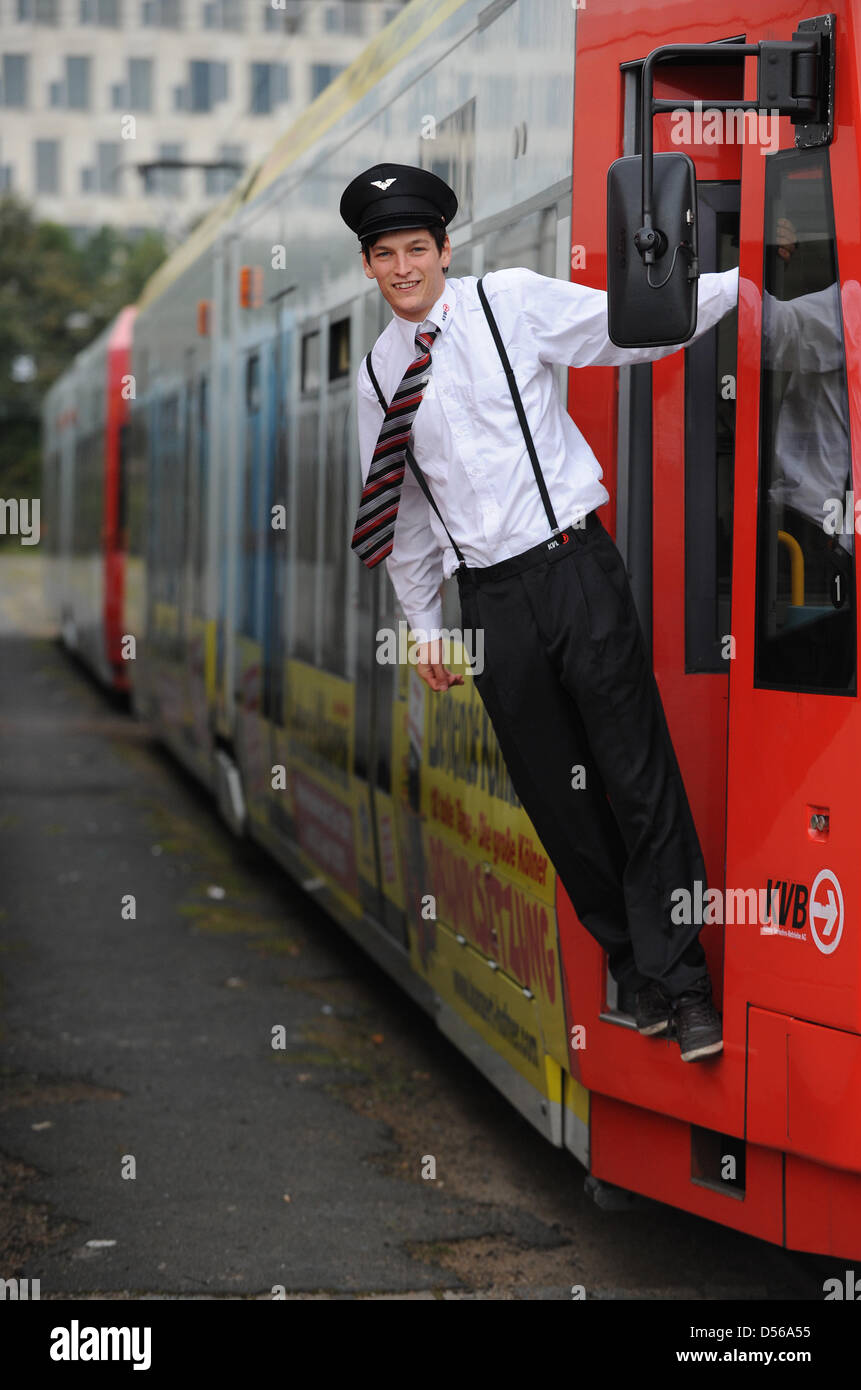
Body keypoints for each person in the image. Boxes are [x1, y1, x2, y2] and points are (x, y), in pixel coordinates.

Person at [340, 162, 740, 1062]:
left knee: (636, 777)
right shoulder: (376, 374)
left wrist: (736, 286)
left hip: (572, 568)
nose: (403, 267)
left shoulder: (506, 301)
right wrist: (425, 625)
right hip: (486, 602)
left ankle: (684, 987)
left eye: (415, 249)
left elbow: (621, 330)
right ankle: (634, 967)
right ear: (367, 268)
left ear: (445, 250)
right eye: (383, 255)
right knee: (557, 801)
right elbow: (399, 512)